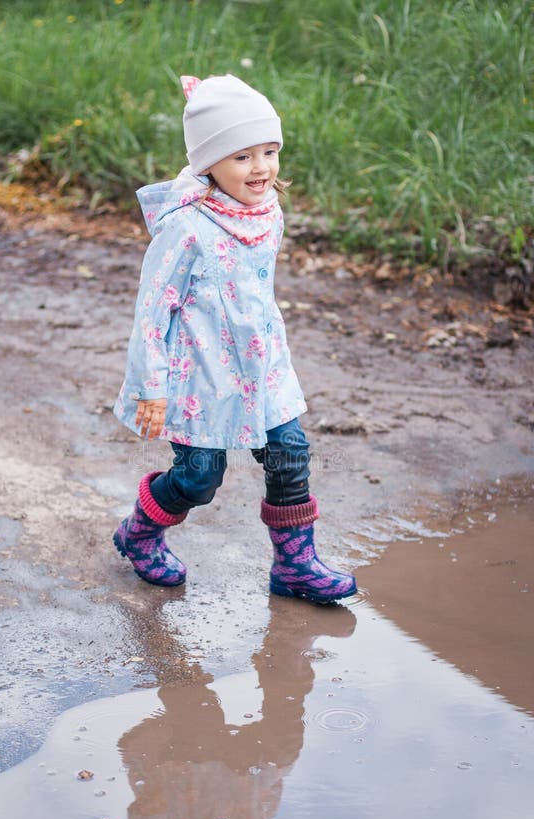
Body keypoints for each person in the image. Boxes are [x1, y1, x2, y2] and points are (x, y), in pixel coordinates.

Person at [113, 73, 357, 605]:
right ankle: (140, 532)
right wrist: (150, 387)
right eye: (242, 156)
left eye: (269, 151)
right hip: (202, 374)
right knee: (200, 477)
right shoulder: (186, 228)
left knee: (289, 454)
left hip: (263, 366)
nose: (262, 167)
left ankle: (295, 566)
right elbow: (153, 310)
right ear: (209, 163)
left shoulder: (268, 213)